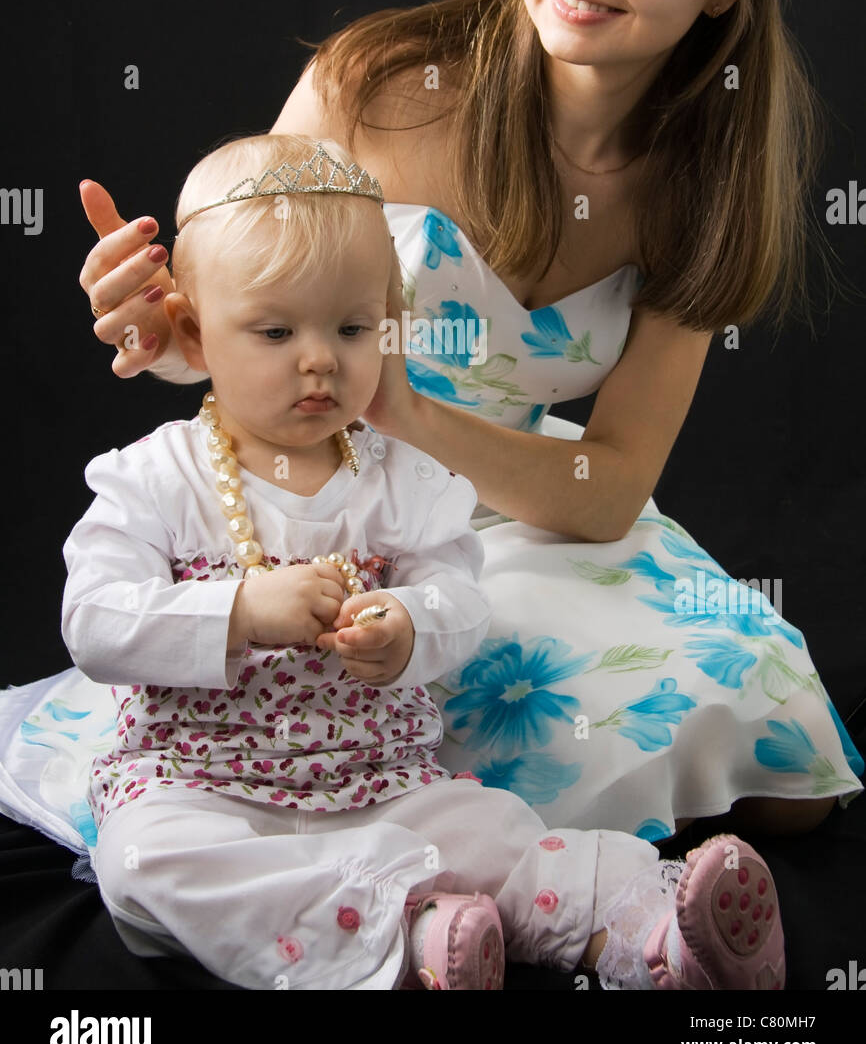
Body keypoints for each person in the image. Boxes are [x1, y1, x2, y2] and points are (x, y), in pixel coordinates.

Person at [78, 0, 863, 843]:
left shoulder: (704, 185)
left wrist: (416, 411)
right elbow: (243, 331)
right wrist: (164, 330)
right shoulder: (375, 87)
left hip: (532, 509)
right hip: (335, 505)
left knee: (793, 777)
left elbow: (605, 487)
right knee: (428, 709)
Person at [62, 133, 788, 991]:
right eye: (274, 330)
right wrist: (239, 612)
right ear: (192, 331)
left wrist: (412, 628)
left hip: (382, 782)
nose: (320, 358)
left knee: (499, 834)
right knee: (146, 861)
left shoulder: (402, 479)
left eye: (353, 327)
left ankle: (653, 934)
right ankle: (405, 941)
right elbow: (95, 623)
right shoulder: (154, 477)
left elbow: (461, 597)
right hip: (206, 787)